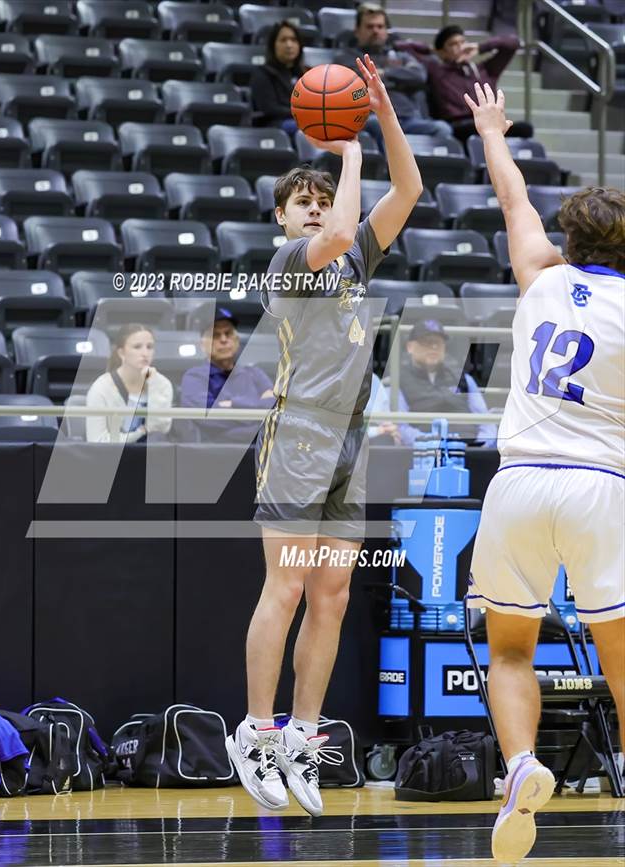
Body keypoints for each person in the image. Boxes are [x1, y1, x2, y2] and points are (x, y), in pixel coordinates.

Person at [225, 54, 422, 817]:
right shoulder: (292, 263)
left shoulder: (354, 266)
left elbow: (407, 193)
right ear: (282, 219)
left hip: (350, 438)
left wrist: (383, 112)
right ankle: (256, 728)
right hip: (299, 437)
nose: (313, 209)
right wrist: (349, 148)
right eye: (298, 202)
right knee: (286, 585)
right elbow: (346, 223)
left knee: (332, 596)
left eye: (318, 199)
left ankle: (304, 737)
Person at [463, 83, 624, 864]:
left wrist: (492, 128)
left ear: (573, 240)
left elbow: (510, 191)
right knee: (622, 656)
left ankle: (521, 764)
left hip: (519, 479)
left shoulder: (542, 276)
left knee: (511, 650)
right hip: (600, 484)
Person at [334, 4, 452, 148]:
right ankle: (390, 170)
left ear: (386, 31)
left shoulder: (402, 56)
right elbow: (356, 81)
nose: (376, 31)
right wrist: (400, 80)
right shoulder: (346, 57)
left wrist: (384, 74)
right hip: (372, 118)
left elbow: (419, 75)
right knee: (378, 124)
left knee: (442, 128)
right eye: (370, 27)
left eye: (380, 26)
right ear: (357, 31)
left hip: (409, 119)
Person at [398, 25, 533, 142]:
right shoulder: (437, 71)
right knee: (478, 129)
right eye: (453, 44)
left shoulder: (484, 70)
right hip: (459, 126)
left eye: (462, 42)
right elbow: (404, 47)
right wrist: (433, 50)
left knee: (525, 129)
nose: (460, 47)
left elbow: (513, 43)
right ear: (442, 52)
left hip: (489, 122)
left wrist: (481, 47)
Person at [180, 307, 275, 443]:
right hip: (216, 453)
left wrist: (232, 404)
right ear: (202, 344)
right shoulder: (193, 377)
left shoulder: (256, 373)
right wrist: (257, 415)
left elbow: (274, 408)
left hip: (259, 454)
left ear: (236, 341)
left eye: (228, 333)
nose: (224, 339)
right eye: (215, 335)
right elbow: (208, 418)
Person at [396, 319, 497, 446]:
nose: (433, 347)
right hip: (425, 453)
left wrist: (481, 444)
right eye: (427, 342)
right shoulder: (397, 381)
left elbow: (486, 421)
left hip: (470, 448)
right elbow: (400, 427)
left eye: (438, 343)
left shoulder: (464, 378)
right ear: (410, 347)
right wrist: (437, 444)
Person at [86, 323, 173, 443]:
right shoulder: (101, 388)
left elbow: (160, 429)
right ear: (121, 353)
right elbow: (97, 441)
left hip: (152, 456)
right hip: (112, 457)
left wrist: (154, 385)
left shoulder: (162, 384)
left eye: (149, 347)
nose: (145, 353)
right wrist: (139, 433)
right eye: (137, 347)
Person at [250, 21, 306, 134]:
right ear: (273, 45)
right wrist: (303, 113)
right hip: (275, 125)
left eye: (293, 40)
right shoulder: (262, 74)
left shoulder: (304, 75)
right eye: (283, 40)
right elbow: (270, 109)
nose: (289, 45)